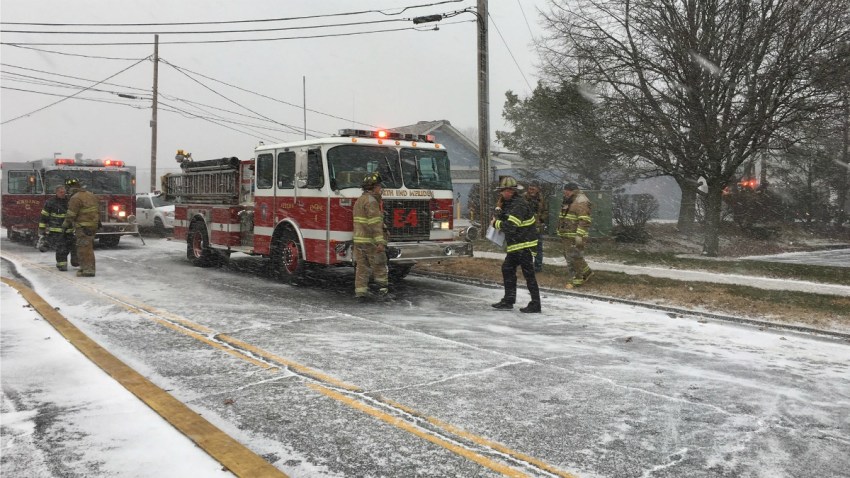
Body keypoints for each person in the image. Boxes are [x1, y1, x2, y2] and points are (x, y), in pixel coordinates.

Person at [490, 176, 541, 313]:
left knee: (528, 274)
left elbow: (510, 227)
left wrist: (495, 223)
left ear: (514, 191)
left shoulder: (518, 205)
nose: (507, 193)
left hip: (525, 245)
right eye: (504, 191)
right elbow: (503, 217)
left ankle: (535, 304)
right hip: (516, 245)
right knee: (507, 269)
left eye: (510, 191)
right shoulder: (508, 204)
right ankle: (509, 300)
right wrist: (498, 209)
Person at [353, 172, 389, 302]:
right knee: (379, 264)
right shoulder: (372, 201)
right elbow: (375, 223)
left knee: (362, 268)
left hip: (359, 241)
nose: (381, 189)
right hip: (371, 241)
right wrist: (380, 242)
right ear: (374, 187)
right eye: (379, 187)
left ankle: (360, 294)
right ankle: (383, 292)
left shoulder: (359, 200)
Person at [61, 178, 99, 277]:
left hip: (82, 227)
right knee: (87, 247)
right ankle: (85, 268)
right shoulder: (91, 195)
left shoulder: (75, 198)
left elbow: (71, 214)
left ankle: (88, 270)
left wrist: (64, 225)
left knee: (84, 248)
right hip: (92, 226)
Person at [558, 182, 593, 289]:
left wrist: (579, 235)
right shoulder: (569, 199)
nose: (565, 193)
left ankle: (577, 279)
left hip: (576, 236)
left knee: (573, 258)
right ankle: (587, 273)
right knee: (572, 256)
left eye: (567, 191)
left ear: (573, 190)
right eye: (564, 191)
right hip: (567, 234)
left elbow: (585, 220)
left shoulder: (580, 201)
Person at [37, 185, 77, 271]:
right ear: (56, 192)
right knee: (61, 248)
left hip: (69, 230)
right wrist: (42, 229)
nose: (63, 194)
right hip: (56, 231)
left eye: (64, 192)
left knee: (72, 246)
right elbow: (44, 216)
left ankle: (74, 262)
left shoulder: (69, 201)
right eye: (61, 192)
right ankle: (62, 265)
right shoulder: (50, 202)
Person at [523, 180, 549, 272]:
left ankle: (538, 266)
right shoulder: (524, 197)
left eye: (533, 189)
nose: (531, 191)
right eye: (530, 188)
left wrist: (541, 218)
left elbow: (545, 211)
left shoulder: (541, 198)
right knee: (525, 247)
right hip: (525, 226)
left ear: (538, 189)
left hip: (537, 227)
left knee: (538, 247)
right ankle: (526, 265)